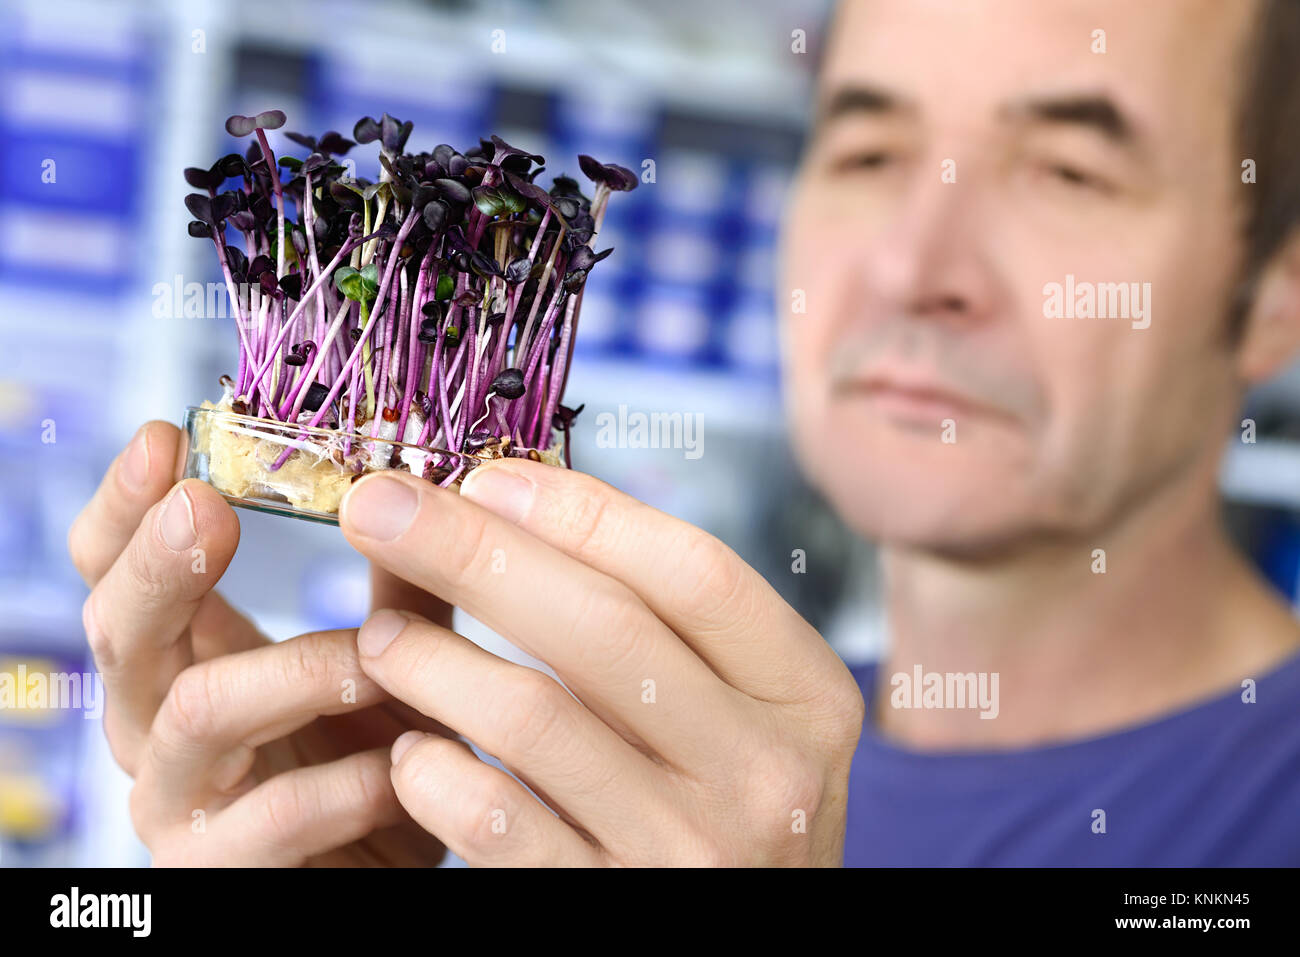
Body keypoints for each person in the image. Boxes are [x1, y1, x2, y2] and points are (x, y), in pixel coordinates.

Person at [68, 0, 1300, 866]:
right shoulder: (619, 783)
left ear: (1277, 291)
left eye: (1069, 174)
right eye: (871, 149)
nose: (917, 268)